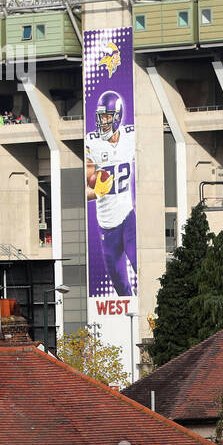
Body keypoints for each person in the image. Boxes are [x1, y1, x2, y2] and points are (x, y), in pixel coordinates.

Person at [86, 88, 138, 297]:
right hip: (106, 226)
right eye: (101, 117)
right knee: (120, 286)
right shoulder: (92, 143)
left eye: (107, 117)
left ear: (117, 117)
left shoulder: (131, 136)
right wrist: (96, 191)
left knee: (139, 266)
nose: (103, 122)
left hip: (127, 218)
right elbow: (85, 188)